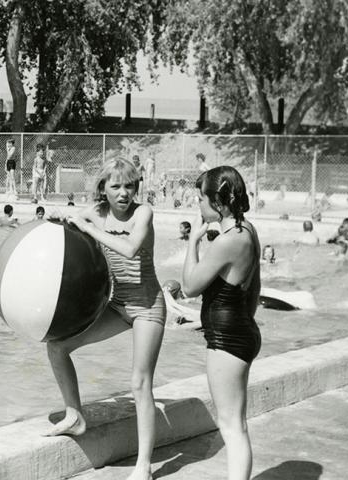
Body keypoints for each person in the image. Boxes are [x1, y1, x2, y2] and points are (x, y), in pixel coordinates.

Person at [48, 159, 165, 480]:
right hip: (116, 305)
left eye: (130, 186)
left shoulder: (144, 213)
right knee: (57, 346)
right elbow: (65, 220)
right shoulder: (95, 212)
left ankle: (144, 465)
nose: (124, 193)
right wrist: (61, 218)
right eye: (116, 186)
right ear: (103, 189)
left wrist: (89, 228)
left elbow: (129, 249)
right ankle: (75, 415)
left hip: (148, 308)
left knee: (139, 384)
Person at [183, 166, 261, 480]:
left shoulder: (227, 241)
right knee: (237, 424)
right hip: (241, 331)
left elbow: (189, 286)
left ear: (217, 200)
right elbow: (254, 287)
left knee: (231, 427)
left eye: (201, 199)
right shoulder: (249, 231)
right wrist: (244, 324)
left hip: (226, 340)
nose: (198, 206)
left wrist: (193, 242)